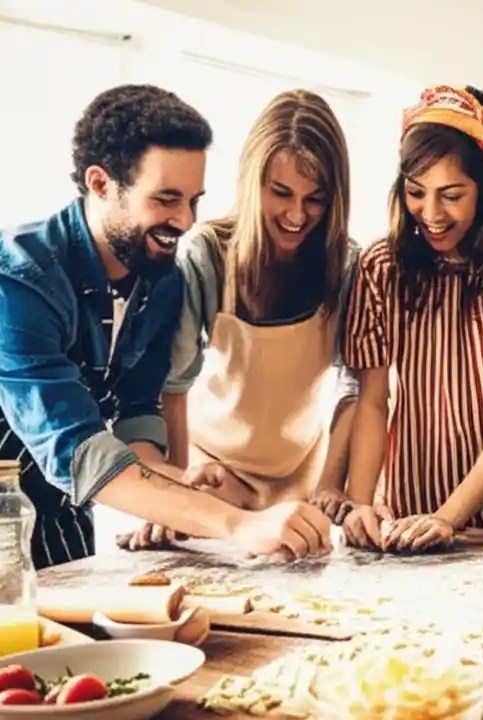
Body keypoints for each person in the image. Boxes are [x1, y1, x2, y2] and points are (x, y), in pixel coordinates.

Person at [0, 84, 332, 568]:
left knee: (74, 639)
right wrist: (236, 523)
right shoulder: (7, 281)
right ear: (101, 184)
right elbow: (77, 449)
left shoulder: (161, 279)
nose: (185, 221)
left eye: (193, 200)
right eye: (166, 199)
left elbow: (137, 416)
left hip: (53, 506)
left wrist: (178, 485)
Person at [331, 85, 483, 553]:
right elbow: (374, 401)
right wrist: (361, 502)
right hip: (405, 507)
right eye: (416, 193)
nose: (432, 214)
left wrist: (448, 518)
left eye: (452, 195)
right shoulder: (381, 266)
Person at [118, 90, 361, 551]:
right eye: (281, 193)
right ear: (253, 182)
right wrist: (176, 489)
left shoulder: (347, 265)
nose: (296, 215)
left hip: (301, 477)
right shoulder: (206, 255)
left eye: (316, 199)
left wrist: (332, 483)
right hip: (217, 472)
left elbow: (354, 385)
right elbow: (176, 383)